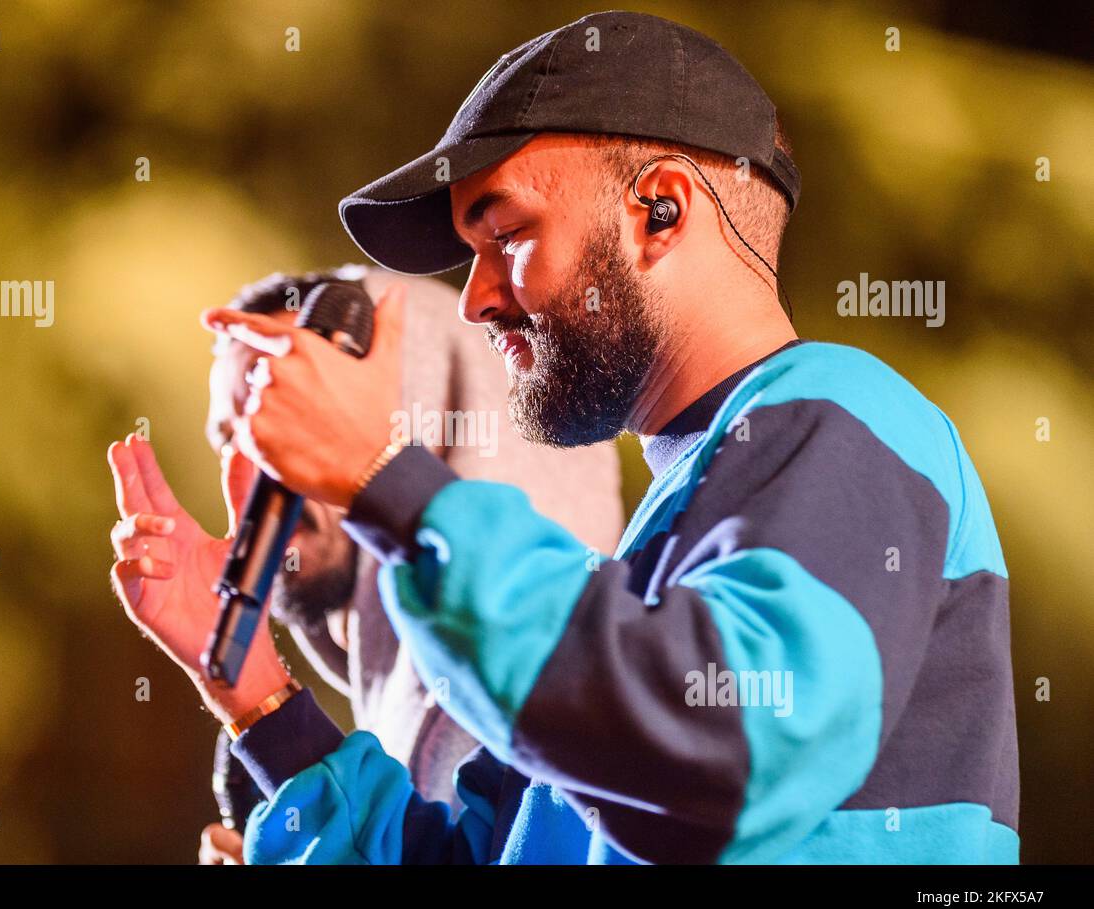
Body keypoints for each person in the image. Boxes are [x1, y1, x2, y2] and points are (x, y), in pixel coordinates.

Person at [119, 11, 1018, 864]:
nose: (474, 300)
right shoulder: (652, 569)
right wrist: (256, 696)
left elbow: (730, 747)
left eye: (507, 234)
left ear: (660, 210)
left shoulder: (848, 414)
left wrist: (387, 482)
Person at [107, 266, 621, 864]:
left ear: (434, 417)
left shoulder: (594, 691)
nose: (262, 470)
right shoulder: (392, 727)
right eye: (235, 440)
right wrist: (249, 686)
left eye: (292, 420)